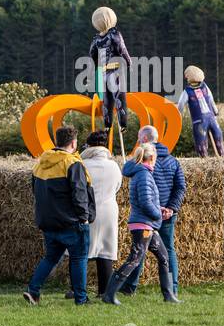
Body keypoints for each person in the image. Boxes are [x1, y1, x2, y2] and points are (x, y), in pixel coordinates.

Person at [24, 126, 94, 306]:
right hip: (71, 221)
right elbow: (79, 193)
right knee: (78, 258)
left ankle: (33, 290)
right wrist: (84, 216)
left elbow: (35, 191)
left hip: (48, 221)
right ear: (73, 143)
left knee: (50, 258)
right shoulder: (72, 163)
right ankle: (81, 298)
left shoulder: (40, 163)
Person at [103, 143, 181, 304]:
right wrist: (158, 214)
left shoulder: (141, 173)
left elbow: (146, 200)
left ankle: (169, 295)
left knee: (163, 256)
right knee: (135, 259)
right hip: (143, 225)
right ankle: (109, 294)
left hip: (146, 224)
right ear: (152, 158)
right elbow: (145, 203)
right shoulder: (144, 175)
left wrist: (160, 208)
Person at [122, 125, 186, 296]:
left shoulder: (142, 159)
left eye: (138, 138)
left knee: (139, 251)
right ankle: (172, 288)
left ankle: (129, 287)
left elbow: (126, 169)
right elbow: (181, 187)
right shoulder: (173, 161)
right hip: (166, 214)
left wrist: (166, 209)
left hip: (147, 214)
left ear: (143, 139)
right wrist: (172, 208)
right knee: (168, 250)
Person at [79, 130, 120, 296]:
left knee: (81, 251)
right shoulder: (114, 166)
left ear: (88, 146)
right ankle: (105, 291)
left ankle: (77, 289)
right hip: (108, 208)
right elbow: (117, 186)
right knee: (106, 250)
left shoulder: (82, 164)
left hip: (87, 209)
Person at [88, 7, 132, 131]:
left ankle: (108, 125)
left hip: (104, 72)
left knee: (107, 100)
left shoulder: (96, 40)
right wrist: (129, 62)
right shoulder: (114, 34)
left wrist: (93, 71)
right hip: (116, 70)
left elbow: (92, 56)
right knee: (119, 98)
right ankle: (123, 125)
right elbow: (121, 49)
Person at [176, 65, 224, 157]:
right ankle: (213, 157)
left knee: (209, 138)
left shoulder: (194, 90)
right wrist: (215, 111)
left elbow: (180, 105)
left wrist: (178, 115)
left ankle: (215, 157)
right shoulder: (197, 89)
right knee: (210, 138)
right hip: (207, 119)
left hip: (204, 119)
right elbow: (211, 99)